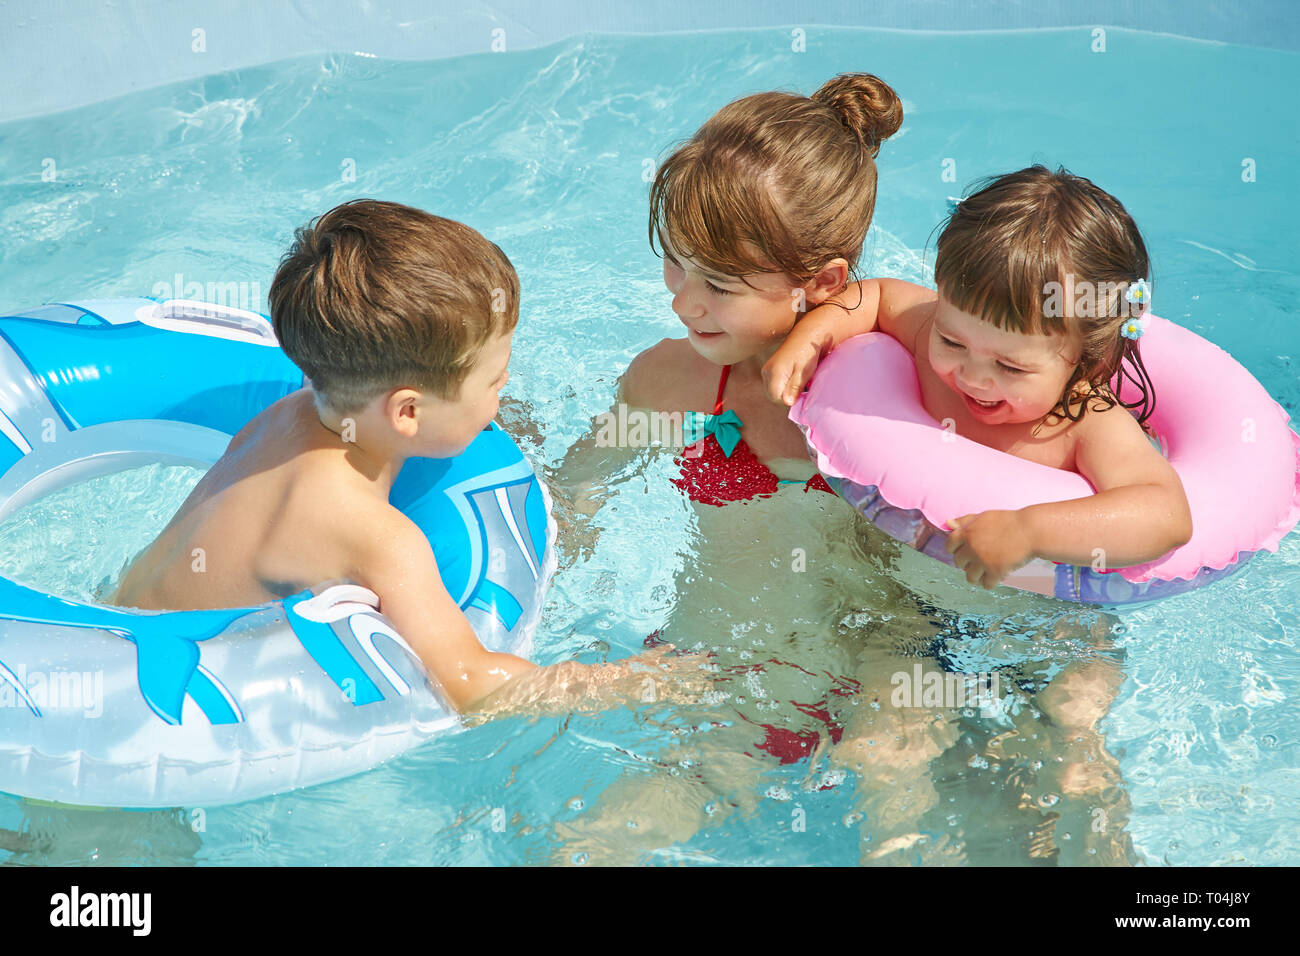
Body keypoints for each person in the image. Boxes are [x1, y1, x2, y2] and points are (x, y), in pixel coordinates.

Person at [110, 199, 700, 713]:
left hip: (112, 643)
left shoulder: (281, 420)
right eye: (494, 381)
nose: (506, 385)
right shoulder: (380, 538)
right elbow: (472, 685)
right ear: (408, 414)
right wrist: (635, 683)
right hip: (164, 717)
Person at [764, 165, 1194, 588]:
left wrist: (1028, 531)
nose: (972, 376)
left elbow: (1166, 514)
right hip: (904, 573)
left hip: (1041, 605)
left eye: (1011, 367)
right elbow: (875, 296)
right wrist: (810, 338)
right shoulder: (926, 328)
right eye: (951, 341)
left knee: (1091, 658)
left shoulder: (1087, 425)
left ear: (1090, 360)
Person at [620, 72, 904, 505]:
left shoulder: (884, 408)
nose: (682, 304)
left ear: (821, 283)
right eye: (676, 262)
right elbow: (576, 501)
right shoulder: (662, 382)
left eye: (719, 286)